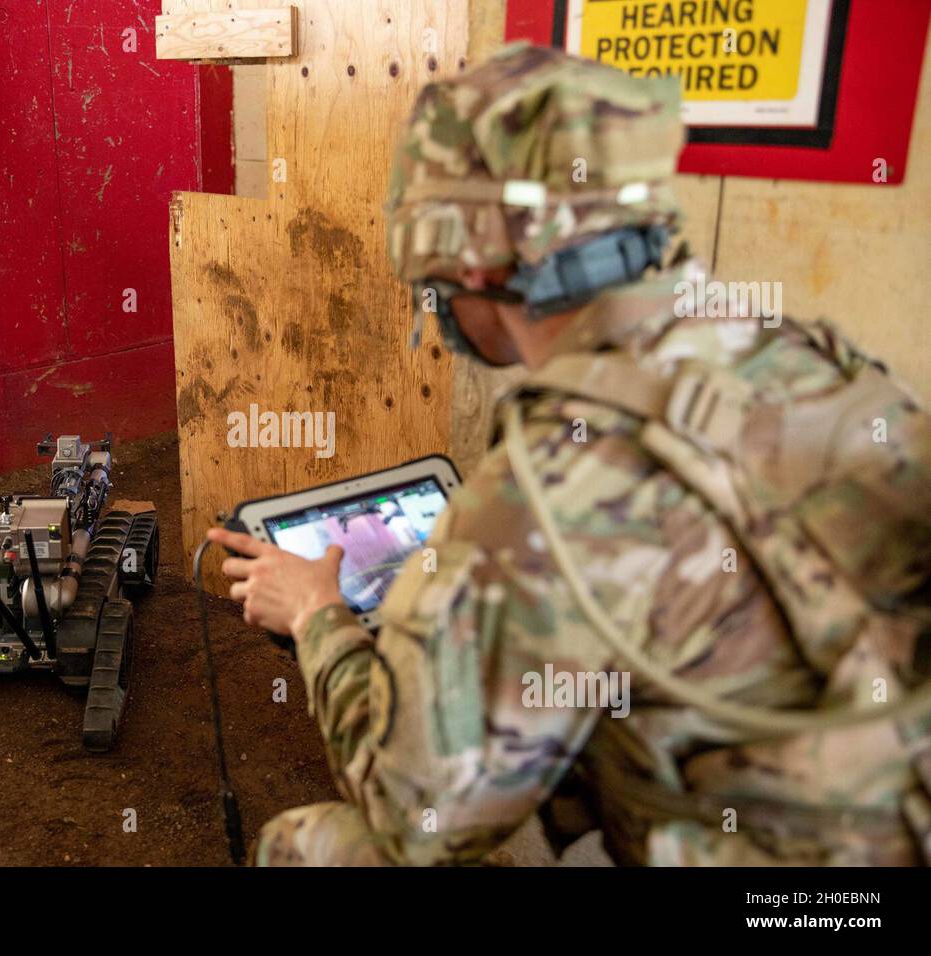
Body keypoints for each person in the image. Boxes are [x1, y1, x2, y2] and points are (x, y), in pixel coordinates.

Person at [207, 42, 931, 866]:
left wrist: (317, 617)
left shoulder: (547, 494)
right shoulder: (805, 355)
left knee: (319, 847)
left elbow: (421, 820)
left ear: (471, 255)